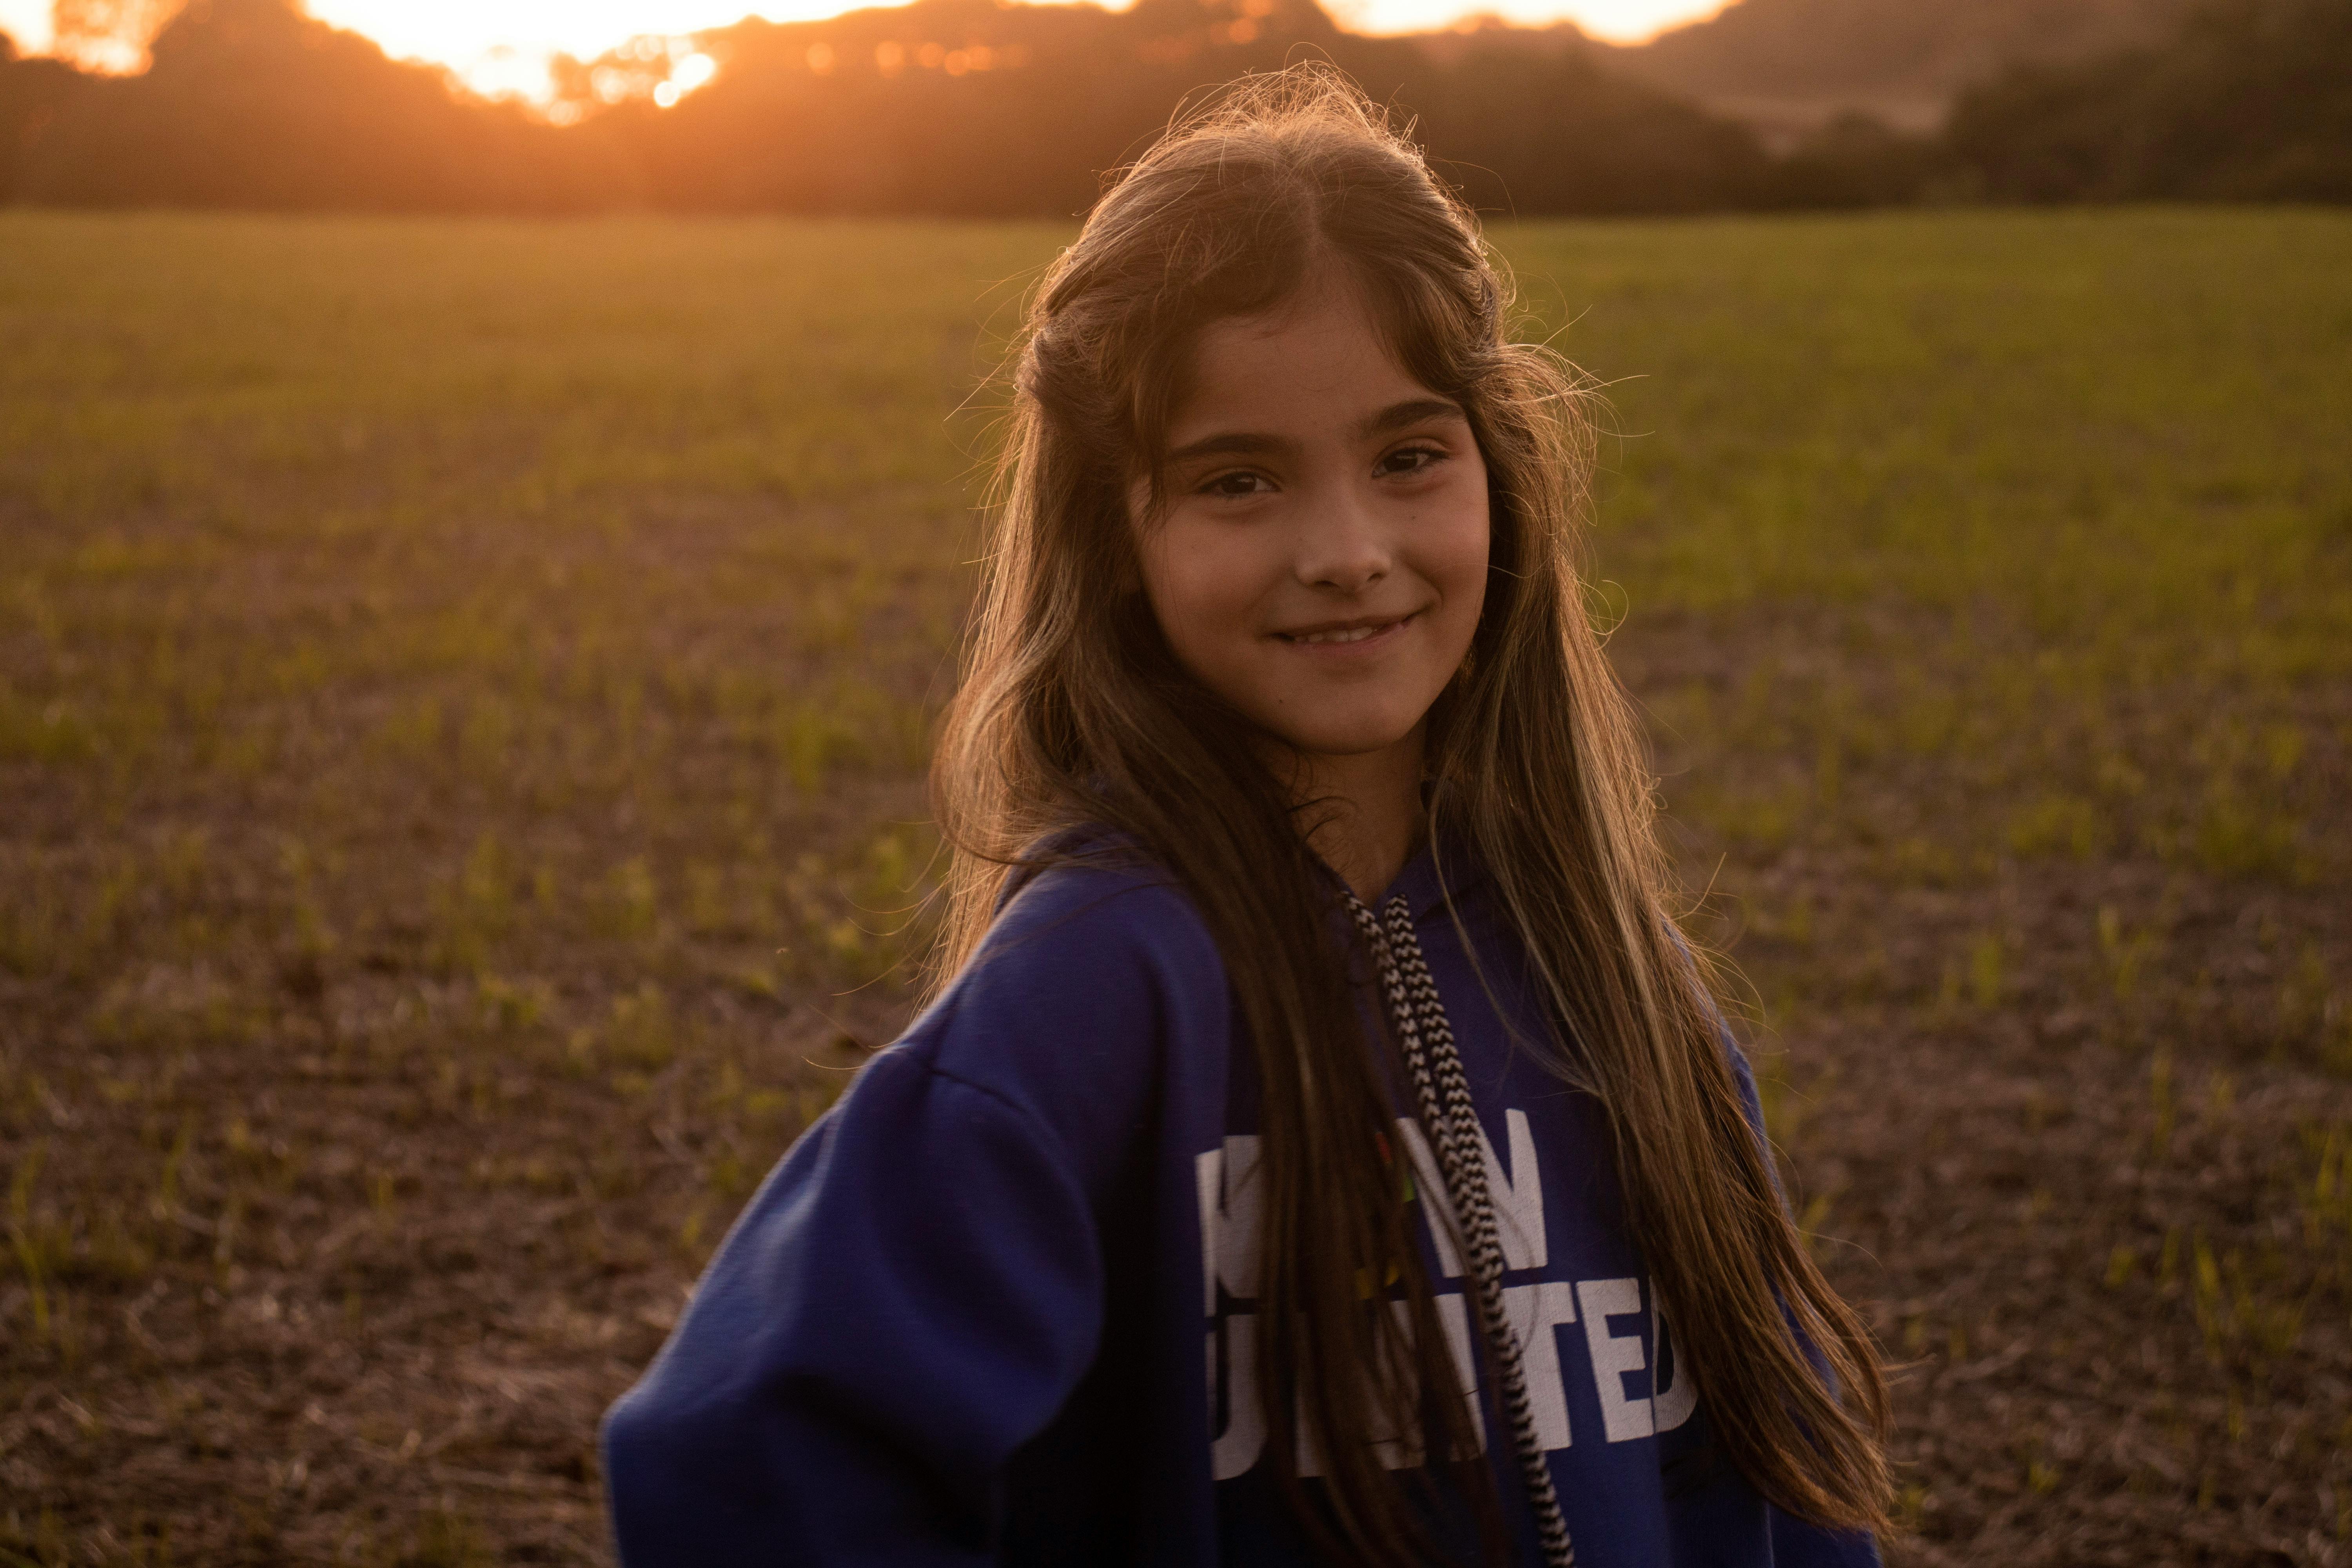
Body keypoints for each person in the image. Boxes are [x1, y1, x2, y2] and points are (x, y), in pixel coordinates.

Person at [601, 67, 1891, 1568]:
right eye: (1238, 480)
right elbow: (751, 1467)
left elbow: (1783, 1491)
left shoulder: (1619, 978)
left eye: (1410, 455)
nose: (1347, 551)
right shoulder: (1095, 997)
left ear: (1503, 477)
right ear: (1116, 539)